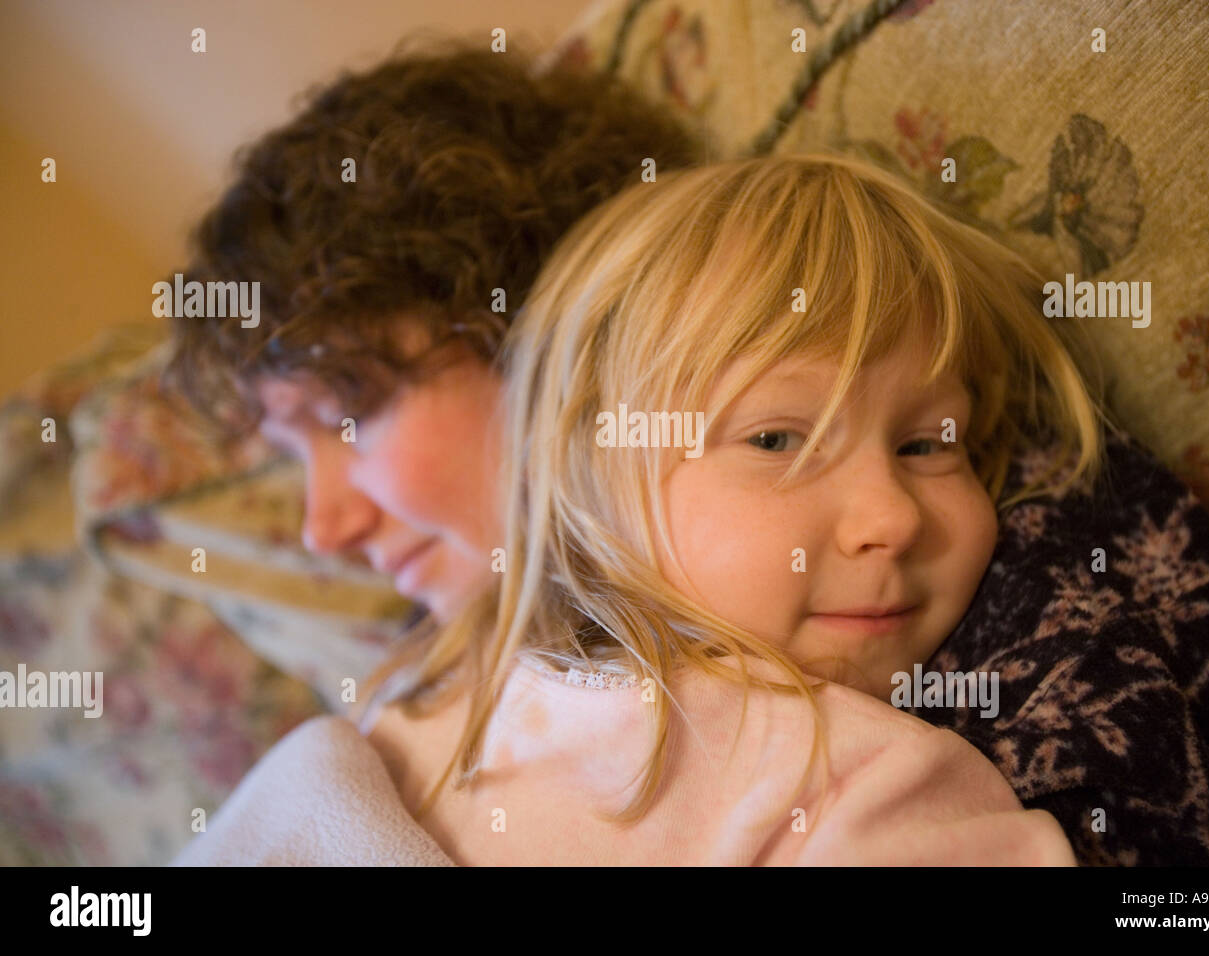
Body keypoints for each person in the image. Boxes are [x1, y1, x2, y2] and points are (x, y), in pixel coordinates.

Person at [344, 152, 1108, 866]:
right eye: (776, 439)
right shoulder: (422, 691)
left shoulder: (867, 795)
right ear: (584, 472)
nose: (893, 520)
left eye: (927, 444)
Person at [165, 39, 706, 626]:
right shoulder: (416, 678)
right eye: (295, 456)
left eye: (353, 414)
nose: (323, 532)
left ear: (544, 322)